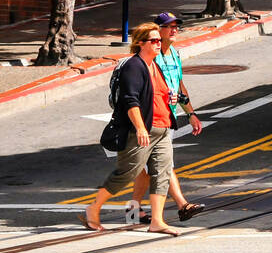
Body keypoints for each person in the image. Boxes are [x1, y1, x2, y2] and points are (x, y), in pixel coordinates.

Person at [81, 23, 182, 236]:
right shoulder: (134, 66)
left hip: (163, 128)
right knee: (128, 173)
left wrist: (172, 97)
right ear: (140, 43)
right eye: (154, 41)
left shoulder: (155, 65)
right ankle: (94, 208)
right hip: (142, 131)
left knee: (161, 173)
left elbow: (158, 95)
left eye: (159, 40)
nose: (158, 44)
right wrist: (140, 128)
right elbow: (130, 100)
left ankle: (157, 221)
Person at [125, 12, 206, 224]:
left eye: (176, 25)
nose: (174, 29)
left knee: (148, 168)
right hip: (149, 118)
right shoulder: (151, 55)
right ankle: (182, 205)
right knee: (162, 164)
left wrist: (191, 113)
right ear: (157, 30)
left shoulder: (175, 55)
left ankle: (134, 209)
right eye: (169, 26)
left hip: (167, 116)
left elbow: (179, 85)